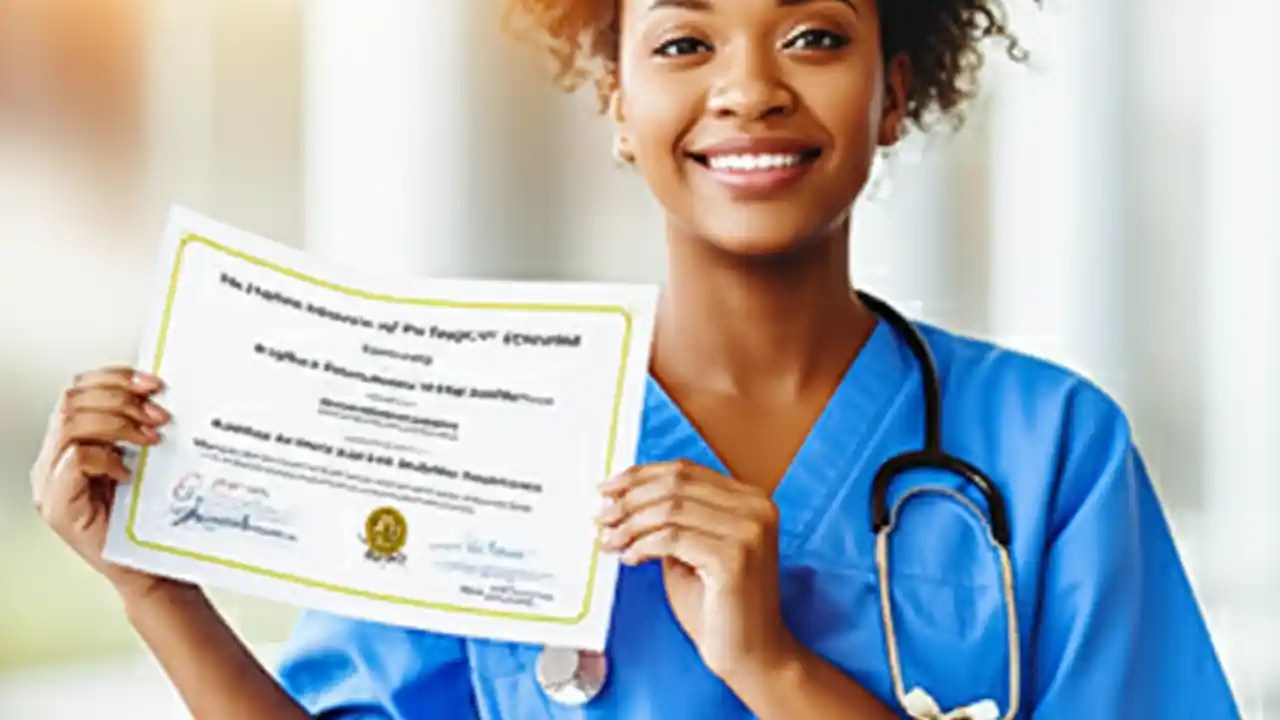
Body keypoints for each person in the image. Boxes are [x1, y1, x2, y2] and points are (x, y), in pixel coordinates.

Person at [27, 0, 1240, 717]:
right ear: (614, 99)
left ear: (892, 89)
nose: (750, 91)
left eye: (814, 34)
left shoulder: (1049, 449)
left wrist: (771, 666)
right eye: (681, 45)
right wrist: (155, 588)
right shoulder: (477, 417)